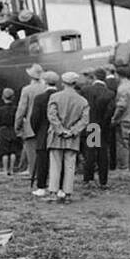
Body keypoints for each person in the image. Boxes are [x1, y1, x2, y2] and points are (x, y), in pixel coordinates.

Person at [46, 71, 89, 204]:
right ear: (75, 83)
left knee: (55, 164)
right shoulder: (82, 101)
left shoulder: (54, 97)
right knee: (70, 166)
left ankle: (53, 193)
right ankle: (67, 194)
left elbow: (52, 116)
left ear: (63, 82)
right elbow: (85, 120)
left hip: (56, 136)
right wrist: (72, 131)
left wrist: (60, 130)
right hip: (72, 138)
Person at [14, 64, 47, 189]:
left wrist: (17, 126)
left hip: (30, 126)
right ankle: (46, 176)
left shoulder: (26, 90)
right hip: (46, 126)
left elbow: (21, 110)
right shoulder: (47, 88)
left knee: (32, 154)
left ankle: (36, 179)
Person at [82, 67, 115, 189]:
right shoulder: (110, 93)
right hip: (103, 127)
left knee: (90, 153)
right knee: (103, 154)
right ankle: (103, 181)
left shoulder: (86, 90)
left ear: (94, 77)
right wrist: (103, 123)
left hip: (91, 125)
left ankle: (88, 178)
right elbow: (111, 111)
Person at [29, 70, 58, 196]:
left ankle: (41, 187)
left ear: (44, 82)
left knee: (42, 162)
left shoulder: (40, 98)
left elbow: (34, 118)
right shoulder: (60, 97)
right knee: (57, 161)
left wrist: (37, 132)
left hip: (43, 133)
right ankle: (57, 187)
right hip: (58, 133)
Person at [112, 65, 130, 174]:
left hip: (124, 119)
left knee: (123, 144)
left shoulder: (122, 88)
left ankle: (124, 167)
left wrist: (114, 118)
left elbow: (121, 106)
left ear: (119, 75)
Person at [0, 88, 19, 175]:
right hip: (13, 129)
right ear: (13, 97)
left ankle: (5, 170)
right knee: (13, 151)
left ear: (2, 97)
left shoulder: (0, 109)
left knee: (4, 151)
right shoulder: (16, 109)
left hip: (4, 130)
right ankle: (11, 170)